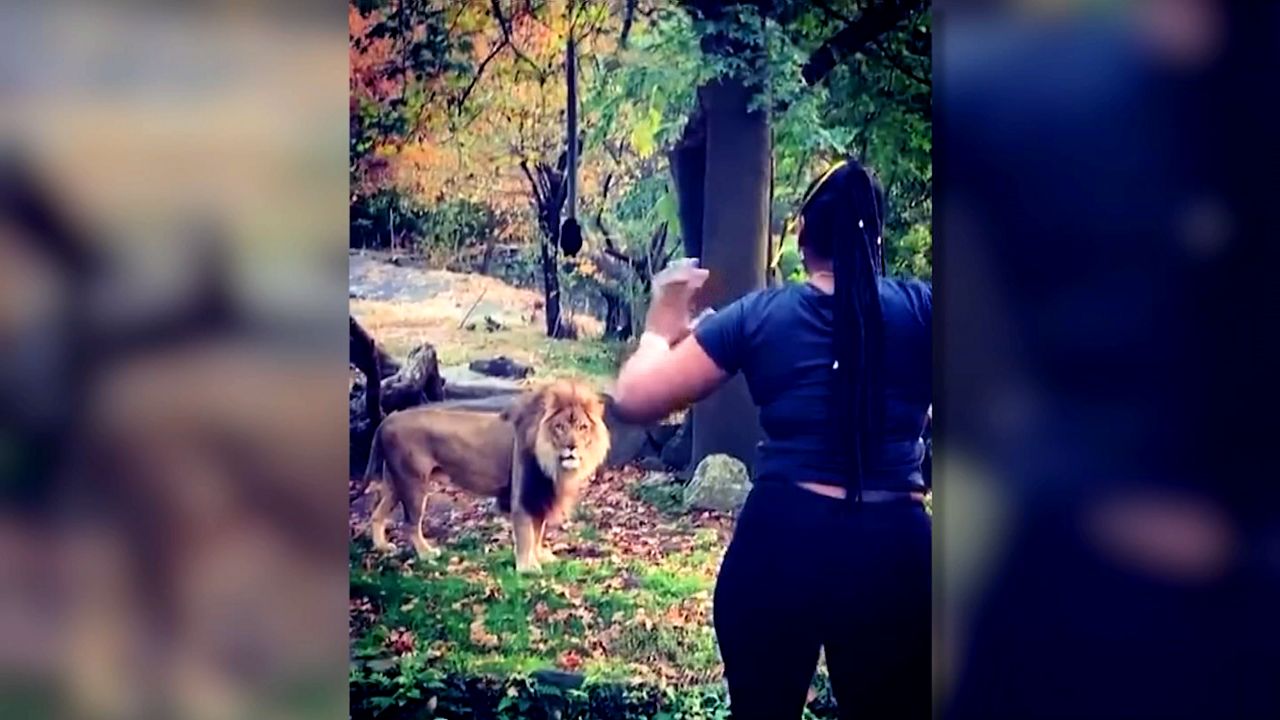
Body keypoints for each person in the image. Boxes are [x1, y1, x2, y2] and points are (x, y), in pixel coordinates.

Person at [613, 159, 932, 719]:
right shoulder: (923, 308)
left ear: (803, 234)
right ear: (877, 238)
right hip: (895, 553)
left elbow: (635, 398)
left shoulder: (760, 315)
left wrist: (661, 328)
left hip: (782, 542)